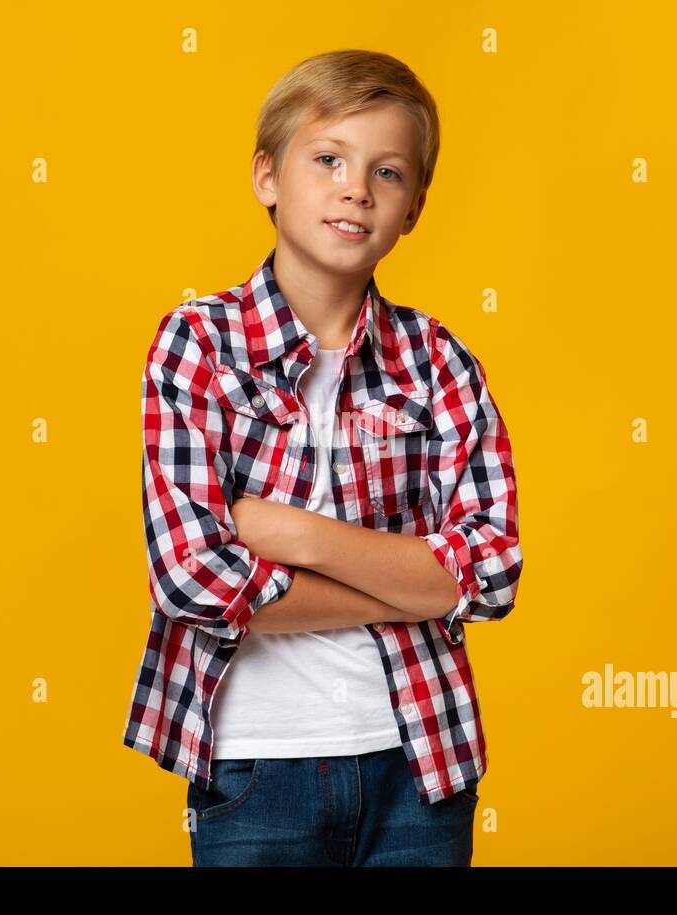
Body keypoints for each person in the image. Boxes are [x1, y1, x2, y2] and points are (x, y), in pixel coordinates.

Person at [123, 49, 522, 866]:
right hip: (255, 764)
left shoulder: (440, 361)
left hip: (419, 758)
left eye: (388, 173)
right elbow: (195, 580)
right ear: (268, 176)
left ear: (413, 208)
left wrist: (293, 535)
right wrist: (407, 582)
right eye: (329, 160)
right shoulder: (198, 344)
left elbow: (489, 572)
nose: (356, 189)